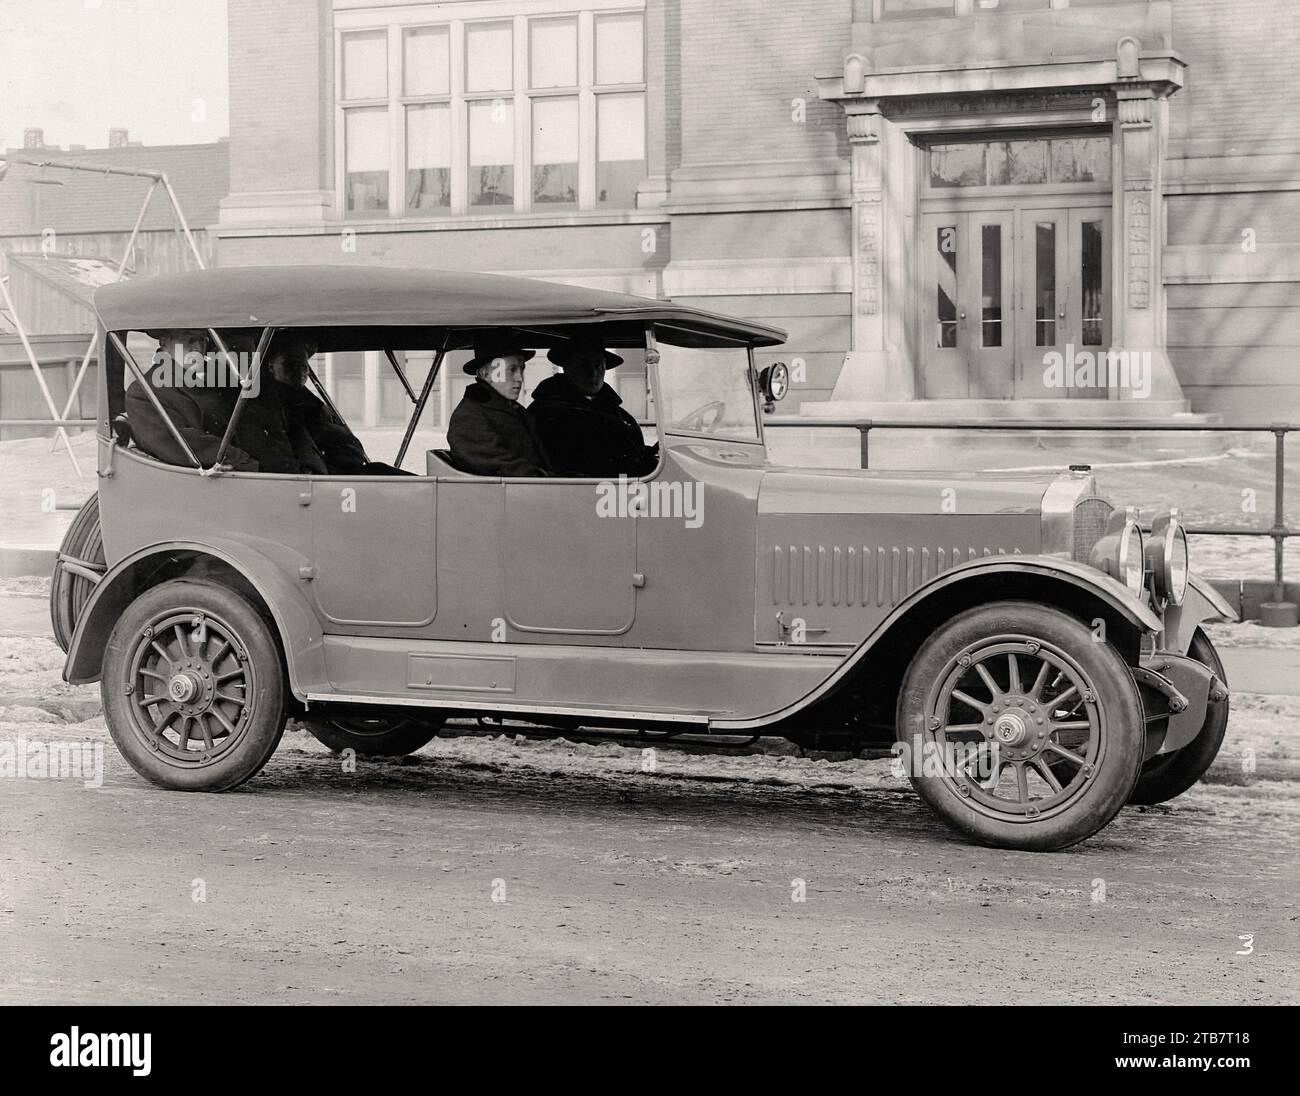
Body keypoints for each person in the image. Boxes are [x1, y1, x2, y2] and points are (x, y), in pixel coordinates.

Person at [127, 329, 324, 474]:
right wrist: (248, 464)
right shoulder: (144, 392)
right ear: (164, 343)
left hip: (252, 475)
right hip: (215, 483)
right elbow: (180, 442)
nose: (196, 348)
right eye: (188, 340)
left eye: (201, 341)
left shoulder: (221, 378)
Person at [262, 334, 410, 475]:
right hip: (326, 475)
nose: (300, 370)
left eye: (304, 365)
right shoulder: (277, 404)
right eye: (291, 364)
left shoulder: (302, 399)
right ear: (271, 367)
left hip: (341, 468)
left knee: (379, 470)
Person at [528, 338, 658, 478]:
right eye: (583, 365)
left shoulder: (612, 409)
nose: (593, 373)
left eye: (599, 365)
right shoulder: (548, 412)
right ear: (566, 367)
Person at [447, 335, 550, 477]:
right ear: (485, 373)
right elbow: (499, 466)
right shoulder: (470, 417)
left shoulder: (509, 409)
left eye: (521, 369)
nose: (520, 378)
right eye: (512, 370)